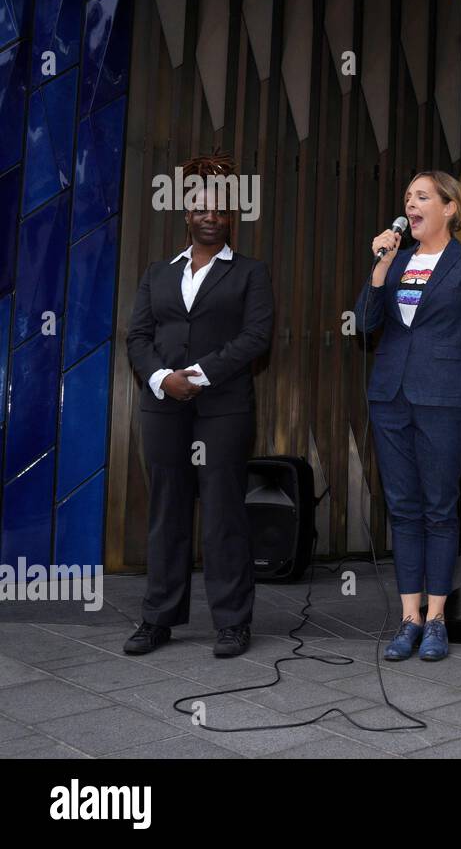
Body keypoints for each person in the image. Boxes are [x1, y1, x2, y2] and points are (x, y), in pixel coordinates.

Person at [358, 171, 461, 663]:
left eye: (422, 196)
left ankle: (437, 620)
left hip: (445, 398)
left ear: (450, 207)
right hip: (390, 398)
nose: (411, 204)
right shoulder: (397, 260)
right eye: (407, 197)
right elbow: (364, 326)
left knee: (438, 509)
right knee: (403, 508)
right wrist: (380, 267)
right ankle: (409, 620)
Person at [123, 151, 273, 658]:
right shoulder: (157, 273)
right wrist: (164, 378)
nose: (210, 215)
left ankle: (232, 623)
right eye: (200, 207)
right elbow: (138, 336)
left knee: (223, 513)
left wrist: (201, 376)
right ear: (186, 213)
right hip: (164, 407)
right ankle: (158, 618)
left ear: (231, 218)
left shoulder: (251, 273)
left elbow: (257, 337)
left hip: (223, 409)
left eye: (220, 209)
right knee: (167, 511)